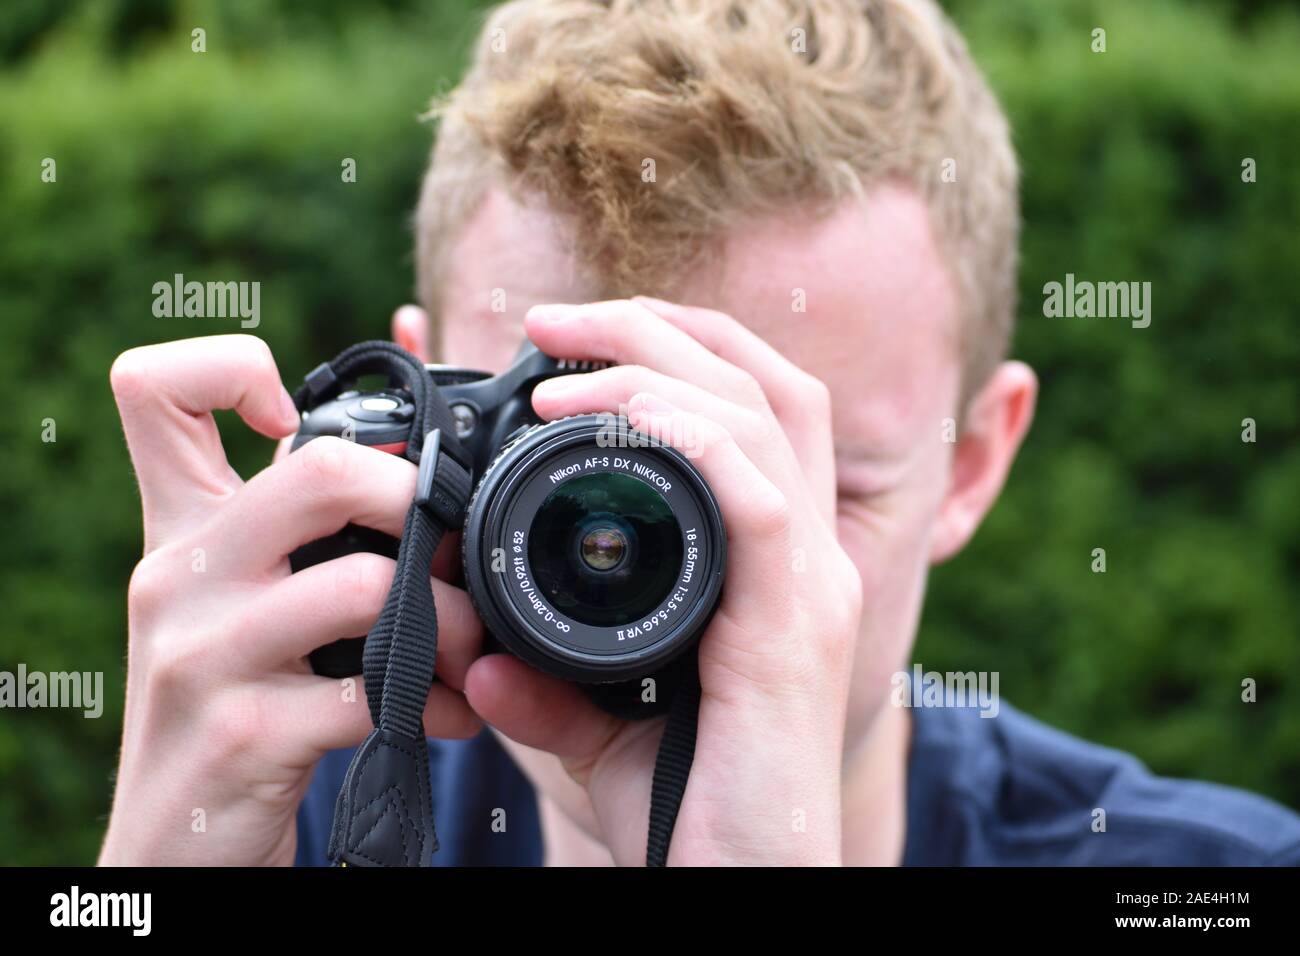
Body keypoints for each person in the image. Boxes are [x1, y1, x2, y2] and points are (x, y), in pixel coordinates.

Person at [100, 0, 1300, 866]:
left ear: (971, 461)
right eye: (552, 468)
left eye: (807, 484)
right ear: (416, 419)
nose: (706, 581)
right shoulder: (293, 816)